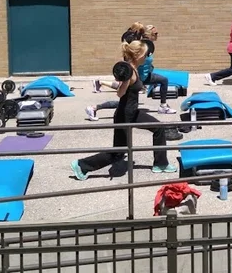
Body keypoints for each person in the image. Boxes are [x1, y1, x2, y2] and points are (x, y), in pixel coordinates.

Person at [71, 41, 177, 178]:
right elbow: (120, 94)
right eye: (145, 55)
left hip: (133, 112)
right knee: (118, 153)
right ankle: (82, 165)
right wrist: (125, 84)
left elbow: (126, 87)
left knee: (158, 128)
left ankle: (161, 164)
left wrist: (138, 87)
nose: (147, 57)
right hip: (125, 115)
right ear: (138, 55)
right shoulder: (129, 71)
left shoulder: (132, 68)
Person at [88, 26, 176, 117]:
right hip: (136, 78)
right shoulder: (139, 47)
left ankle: (163, 106)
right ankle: (94, 108)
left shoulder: (148, 47)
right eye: (155, 34)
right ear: (149, 34)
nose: (157, 35)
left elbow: (147, 63)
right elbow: (128, 59)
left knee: (163, 80)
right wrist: (127, 75)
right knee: (126, 101)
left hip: (144, 76)